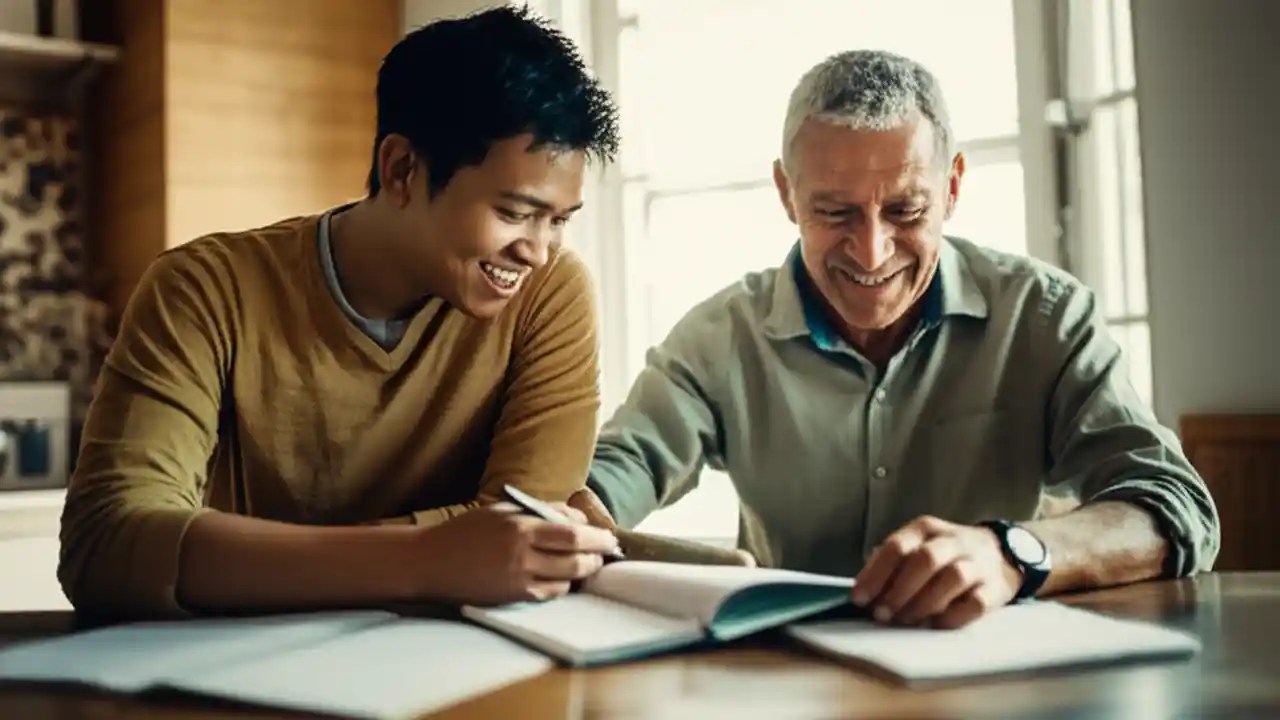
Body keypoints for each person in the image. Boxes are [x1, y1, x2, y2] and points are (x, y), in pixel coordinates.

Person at [577, 50, 1219, 629]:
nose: (873, 250)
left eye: (907, 210)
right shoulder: (718, 338)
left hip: (999, 678)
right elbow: (615, 473)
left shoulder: (1047, 318)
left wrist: (1012, 552)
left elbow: (1177, 508)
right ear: (785, 192)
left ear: (953, 186)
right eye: (835, 212)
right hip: (795, 684)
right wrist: (576, 516)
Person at [60, 6, 621, 619]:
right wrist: (427, 558)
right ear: (402, 169)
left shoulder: (551, 297)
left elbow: (527, 536)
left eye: (558, 221)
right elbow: (108, 544)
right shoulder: (203, 289)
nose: (538, 251)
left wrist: (221, 554)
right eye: (515, 213)